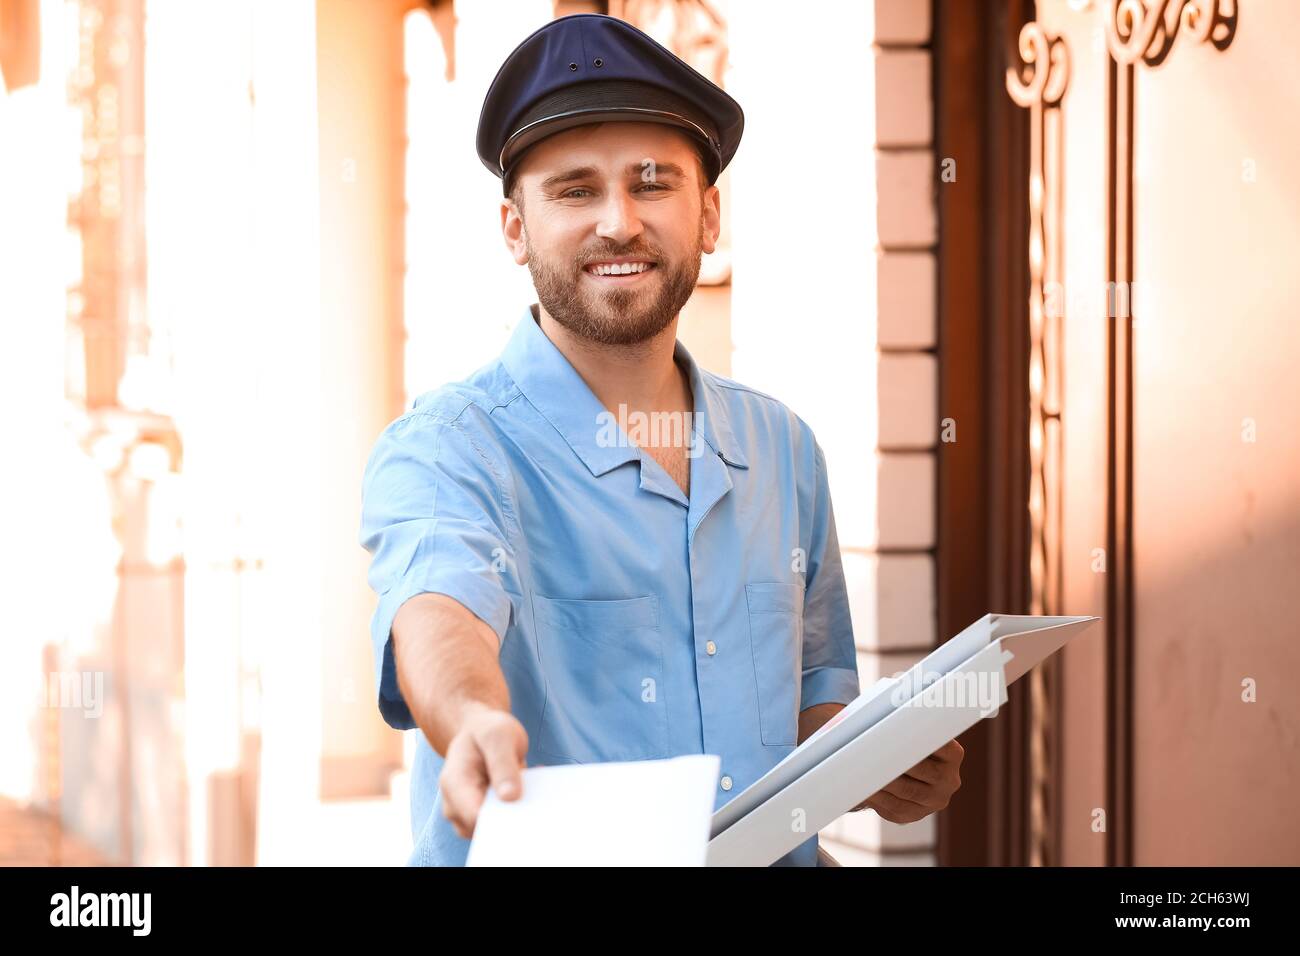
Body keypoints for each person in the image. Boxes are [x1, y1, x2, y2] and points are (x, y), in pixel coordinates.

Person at [359, 13, 963, 867]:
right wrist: (473, 721)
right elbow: (438, 609)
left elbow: (812, 711)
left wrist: (884, 762)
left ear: (708, 216)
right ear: (514, 230)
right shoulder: (447, 449)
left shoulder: (783, 450)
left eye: (652, 184)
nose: (619, 223)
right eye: (574, 190)